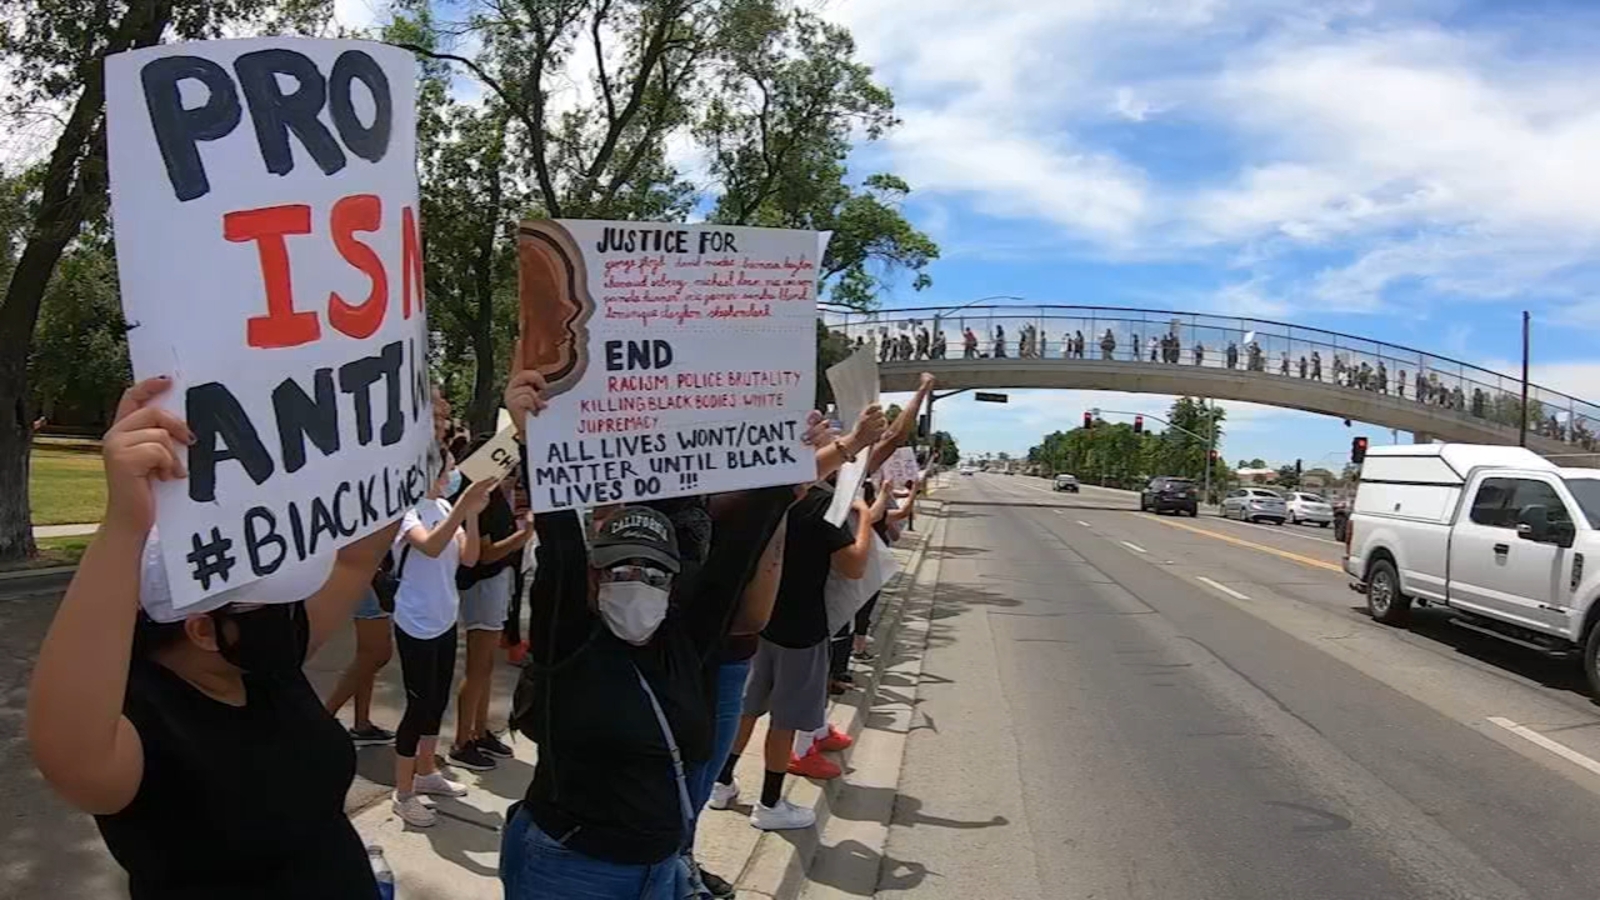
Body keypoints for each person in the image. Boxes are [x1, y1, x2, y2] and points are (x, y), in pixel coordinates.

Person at [28, 376, 396, 898]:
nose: (294, 611)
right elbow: (64, 747)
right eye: (273, 601)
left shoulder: (264, 665)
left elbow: (357, 556)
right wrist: (125, 526)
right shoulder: (137, 729)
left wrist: (395, 432)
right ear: (202, 629)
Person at [390, 457, 497, 827]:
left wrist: (471, 513)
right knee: (418, 705)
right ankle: (403, 793)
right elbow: (430, 546)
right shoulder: (406, 511)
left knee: (437, 698)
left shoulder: (445, 505)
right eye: (446, 467)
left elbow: (469, 559)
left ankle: (426, 771)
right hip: (414, 618)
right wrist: (461, 509)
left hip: (445, 616)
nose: (452, 475)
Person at [448, 454, 535, 772]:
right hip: (483, 586)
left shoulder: (493, 494)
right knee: (477, 666)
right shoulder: (478, 498)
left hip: (499, 584)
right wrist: (521, 537)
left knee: (485, 668)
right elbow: (484, 555)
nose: (509, 470)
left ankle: (480, 730)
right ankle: (461, 741)